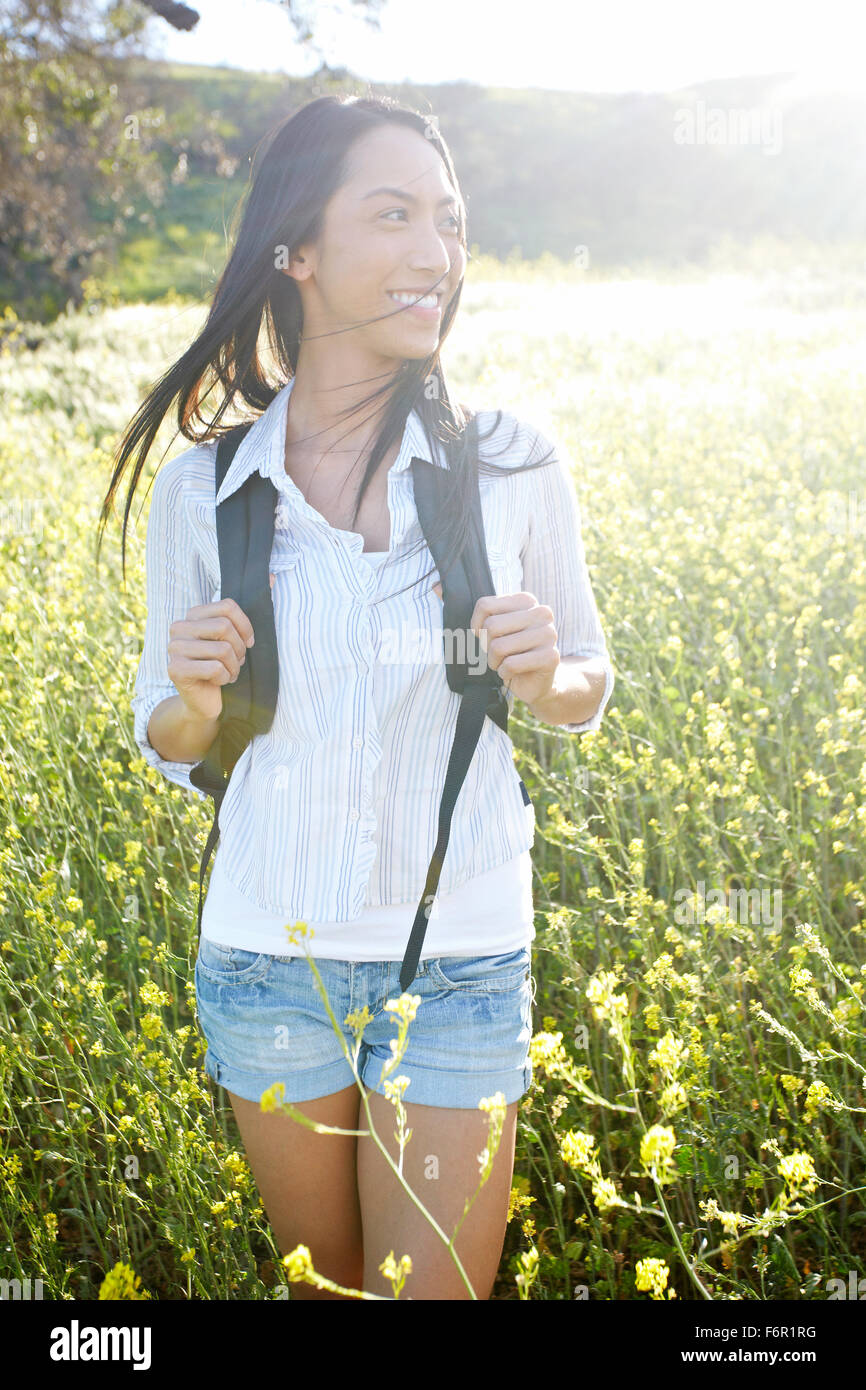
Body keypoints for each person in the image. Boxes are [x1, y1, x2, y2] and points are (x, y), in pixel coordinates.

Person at [99, 93, 614, 1300]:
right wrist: (191, 693)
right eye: (394, 214)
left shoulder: (512, 462)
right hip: (269, 960)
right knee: (322, 1291)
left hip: (464, 960)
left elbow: (585, 683)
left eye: (448, 220)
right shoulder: (210, 486)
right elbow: (171, 741)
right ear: (299, 249)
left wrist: (547, 675)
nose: (435, 252)